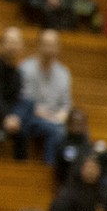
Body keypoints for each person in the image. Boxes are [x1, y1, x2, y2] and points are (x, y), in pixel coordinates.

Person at [16, 28, 70, 164]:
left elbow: (66, 105)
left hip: (54, 120)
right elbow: (25, 102)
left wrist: (59, 117)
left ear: (58, 48)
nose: (49, 49)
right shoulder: (26, 68)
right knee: (57, 131)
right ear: (38, 46)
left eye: (53, 45)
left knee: (76, 133)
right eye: (46, 44)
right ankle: (48, 169)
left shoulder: (64, 73)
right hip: (31, 117)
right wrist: (51, 118)